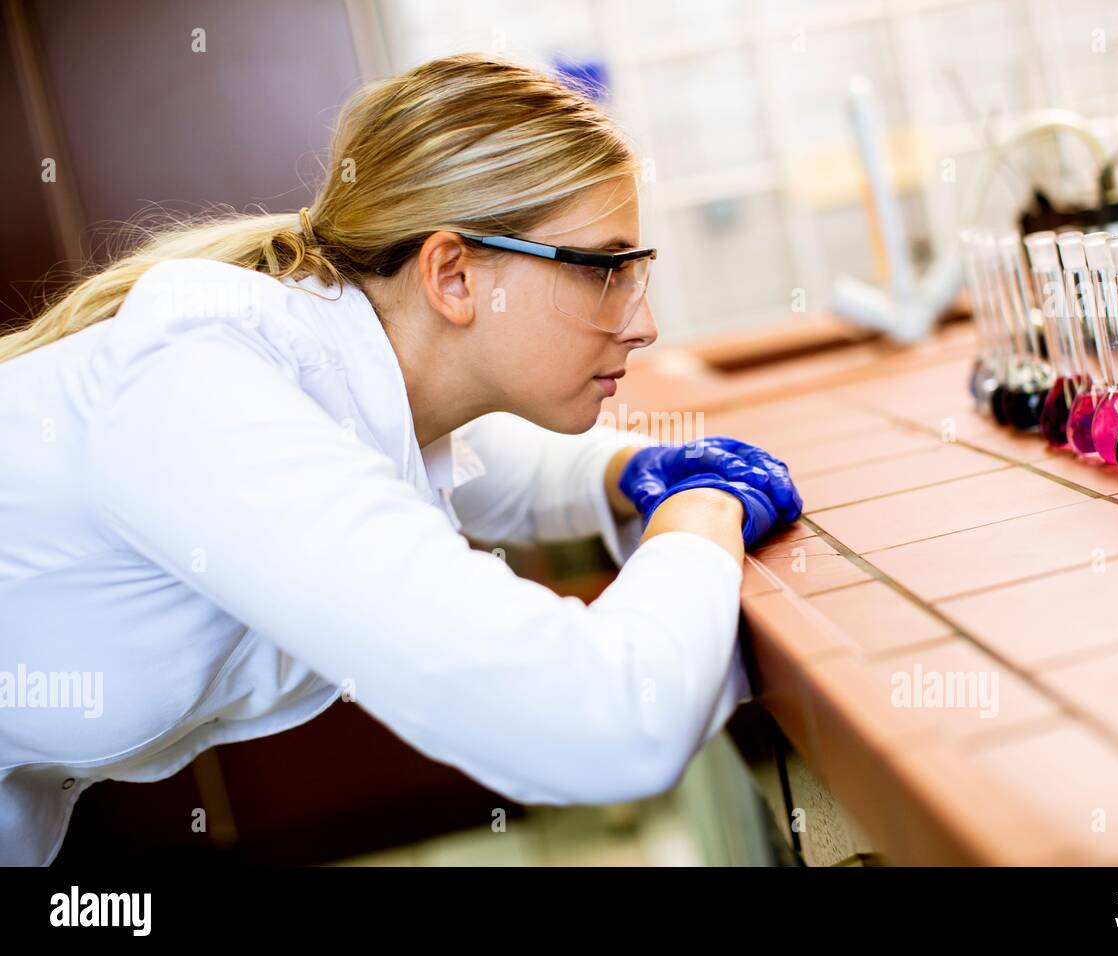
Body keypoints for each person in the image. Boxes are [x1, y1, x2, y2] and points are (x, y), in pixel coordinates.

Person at [0, 53, 802, 866]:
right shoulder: (192, 392)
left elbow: (477, 460)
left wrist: (624, 471)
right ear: (453, 275)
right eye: (605, 271)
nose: (643, 323)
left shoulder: (338, 366)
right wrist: (700, 519)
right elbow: (608, 721)